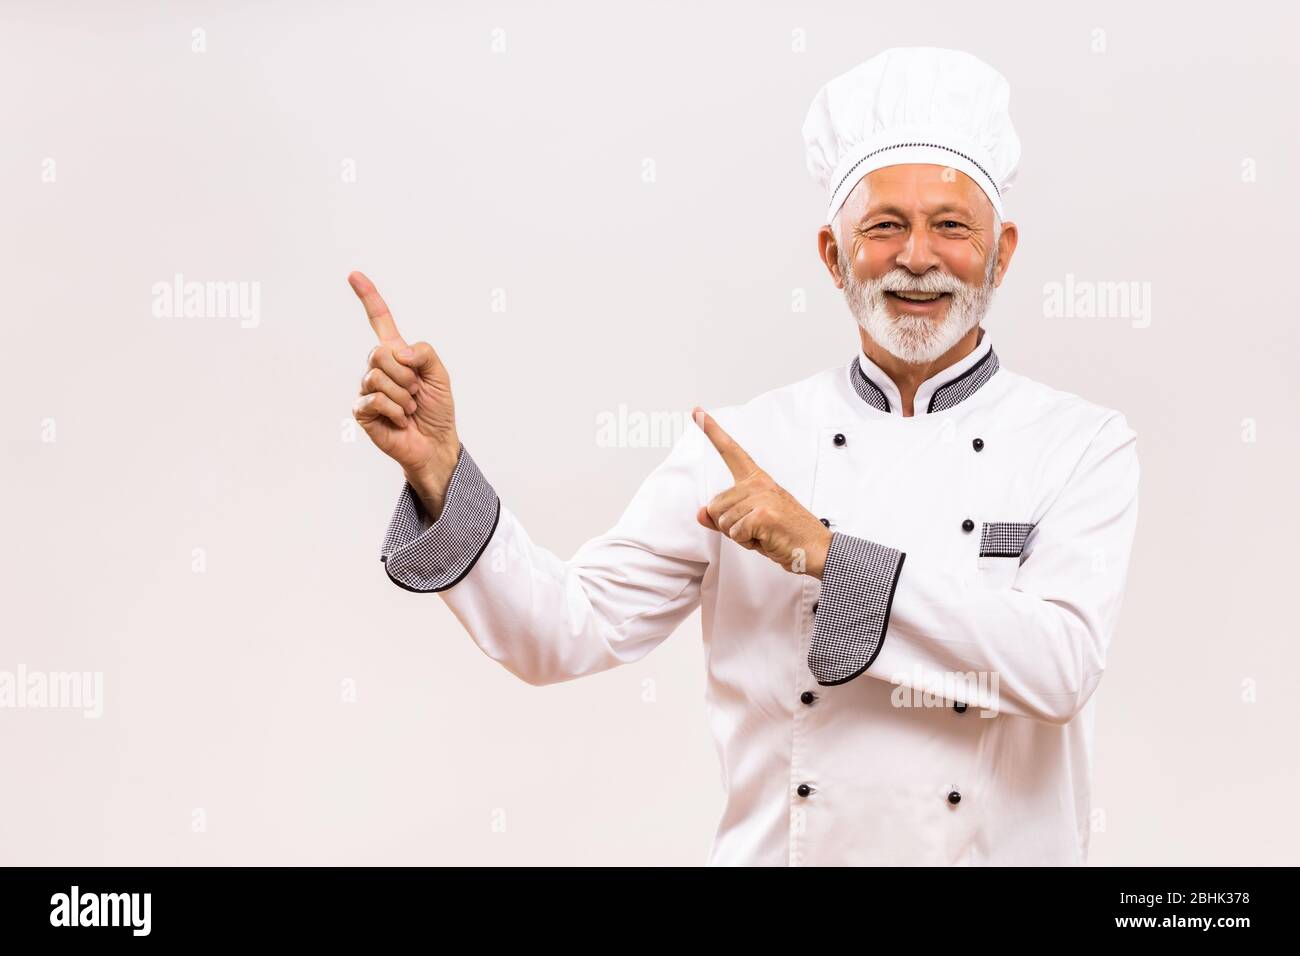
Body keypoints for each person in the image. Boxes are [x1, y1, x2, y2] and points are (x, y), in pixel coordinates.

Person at [348, 47, 1140, 866]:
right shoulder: (745, 446)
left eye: (951, 226)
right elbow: (563, 632)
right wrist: (439, 473)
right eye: (883, 227)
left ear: (1001, 252)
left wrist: (828, 556)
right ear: (834, 258)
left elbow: (1060, 666)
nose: (916, 257)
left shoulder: (1081, 444)